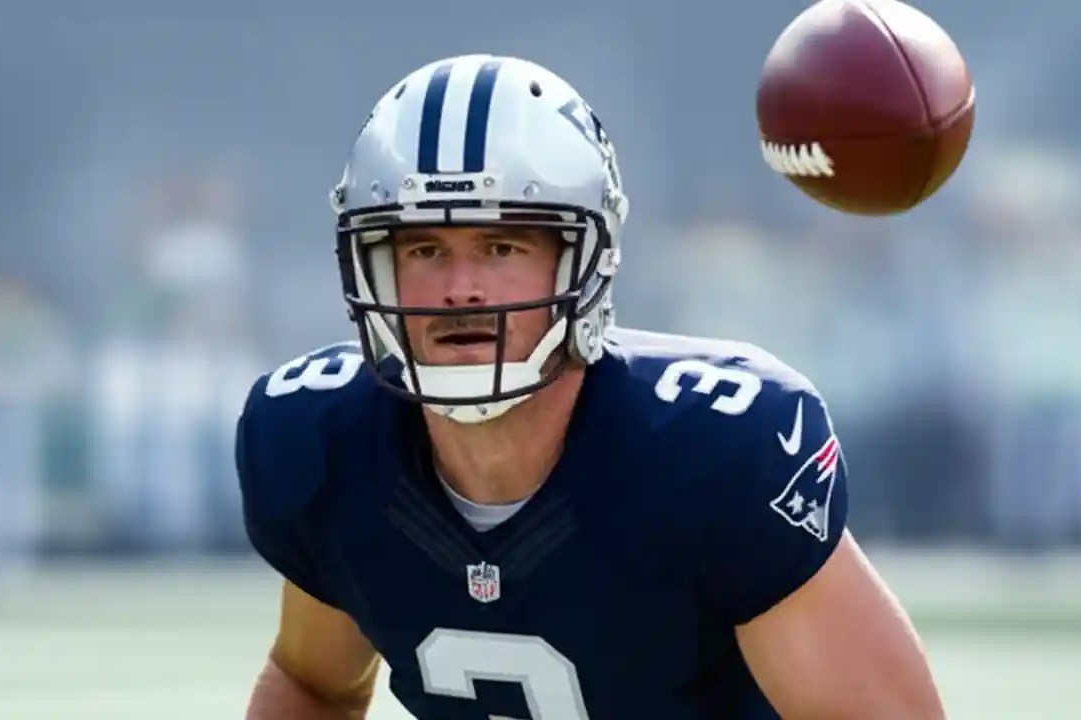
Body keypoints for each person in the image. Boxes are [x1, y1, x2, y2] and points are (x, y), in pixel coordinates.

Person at [236, 54, 944, 719]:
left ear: (583, 264)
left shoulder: (716, 450)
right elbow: (314, 685)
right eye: (424, 250)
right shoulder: (321, 440)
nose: (461, 289)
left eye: (502, 247)